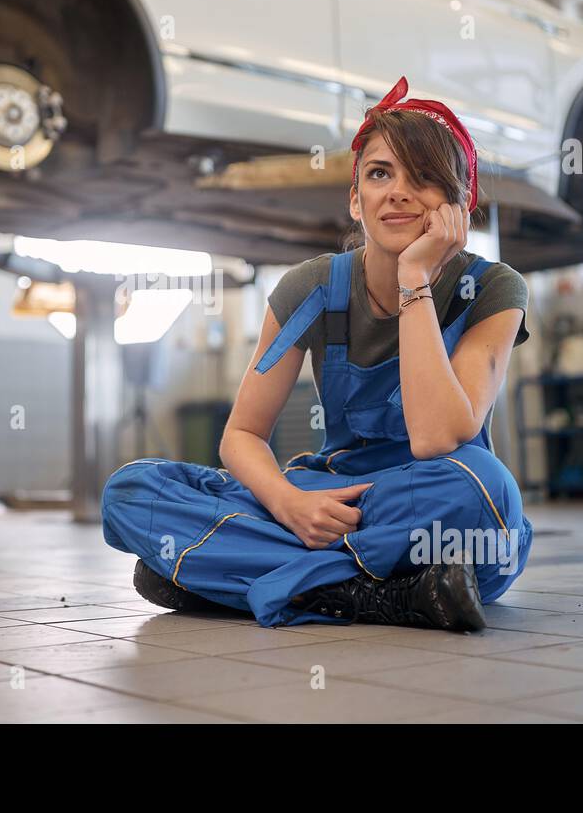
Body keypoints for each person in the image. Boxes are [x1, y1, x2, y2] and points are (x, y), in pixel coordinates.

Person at [101, 76, 534, 631]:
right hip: (327, 501)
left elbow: (435, 438)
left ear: (460, 204)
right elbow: (242, 436)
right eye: (380, 174)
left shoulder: (494, 290)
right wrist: (287, 503)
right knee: (131, 491)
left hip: (431, 501)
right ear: (356, 200)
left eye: (424, 178)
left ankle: (230, 576)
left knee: (487, 491)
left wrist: (415, 280)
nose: (398, 192)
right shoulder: (310, 289)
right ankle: (380, 594)